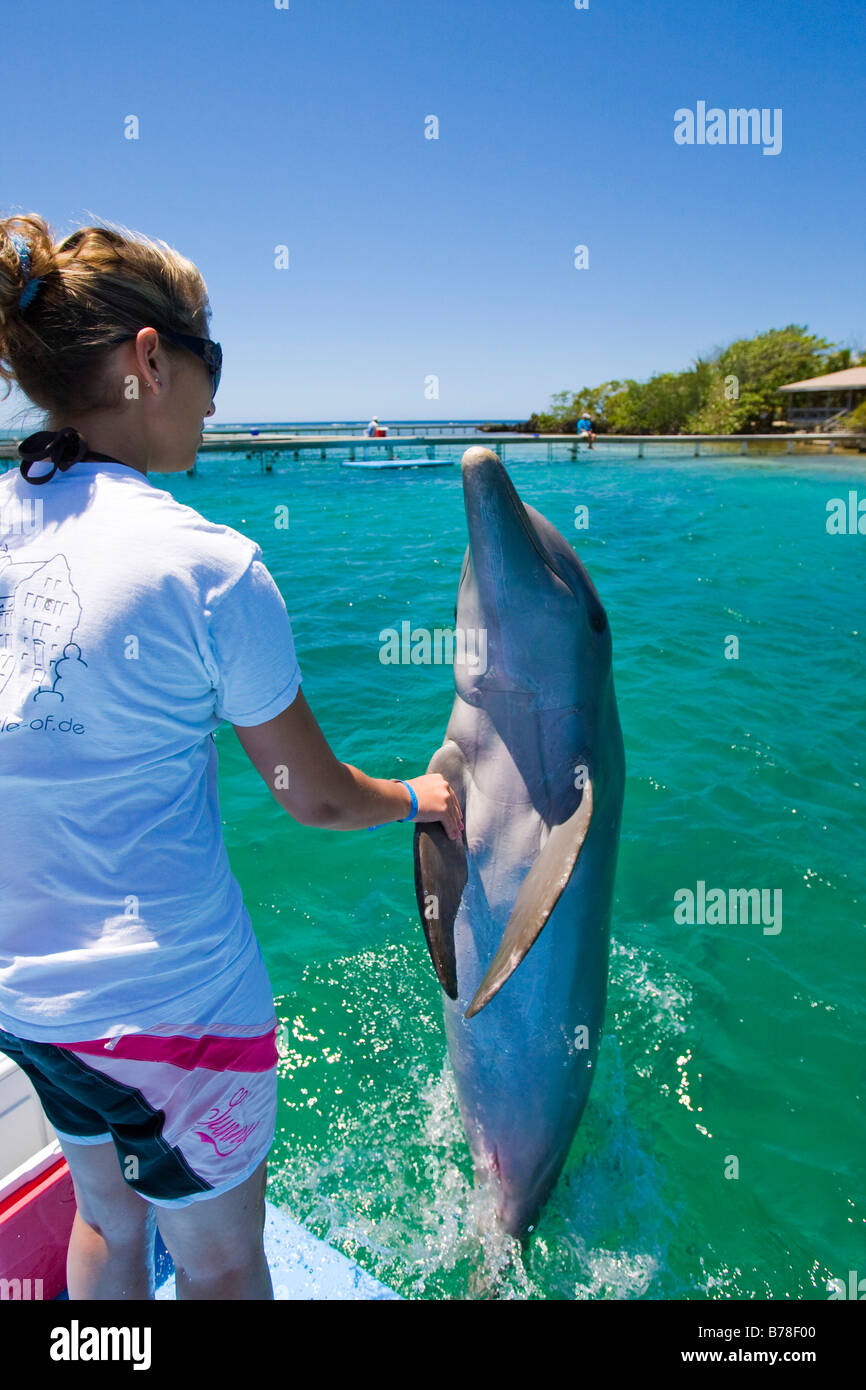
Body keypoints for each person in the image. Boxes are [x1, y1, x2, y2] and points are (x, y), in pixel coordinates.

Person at [0, 214, 462, 1301]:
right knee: (214, 1268)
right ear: (150, 359)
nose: (216, 401)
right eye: (212, 362)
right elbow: (313, 798)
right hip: (176, 1012)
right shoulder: (207, 567)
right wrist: (420, 797)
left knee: (109, 1228)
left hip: (29, 1000)